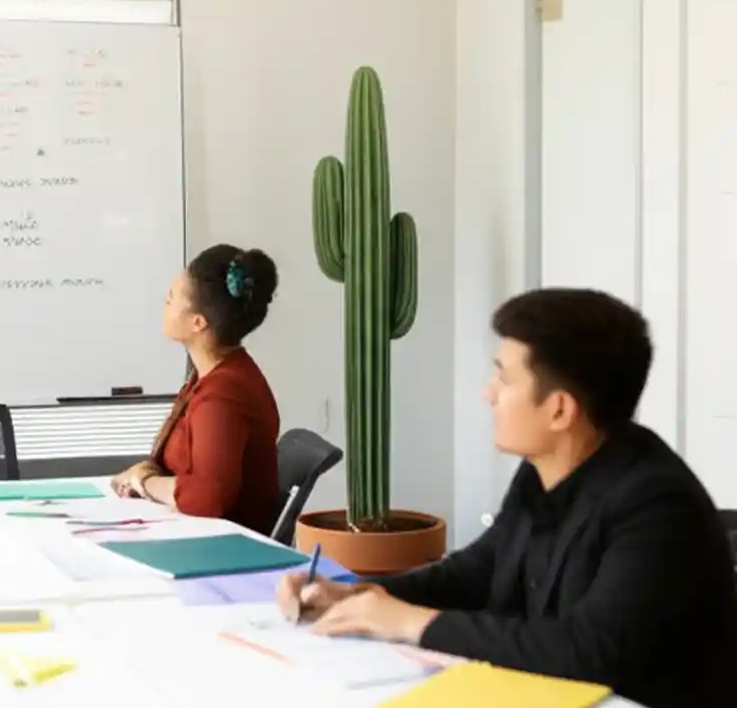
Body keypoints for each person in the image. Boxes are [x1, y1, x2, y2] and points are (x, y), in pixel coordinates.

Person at [276, 288, 737, 708]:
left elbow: (588, 650)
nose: (488, 393)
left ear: (559, 410)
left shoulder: (658, 507)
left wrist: (411, 622)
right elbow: (478, 570)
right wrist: (362, 595)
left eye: (504, 378)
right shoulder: (544, 467)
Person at [110, 244, 281, 534]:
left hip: (221, 545)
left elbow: (207, 497)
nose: (164, 304)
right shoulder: (214, 374)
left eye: (171, 298)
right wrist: (145, 473)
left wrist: (146, 483)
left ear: (197, 323)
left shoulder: (224, 395)